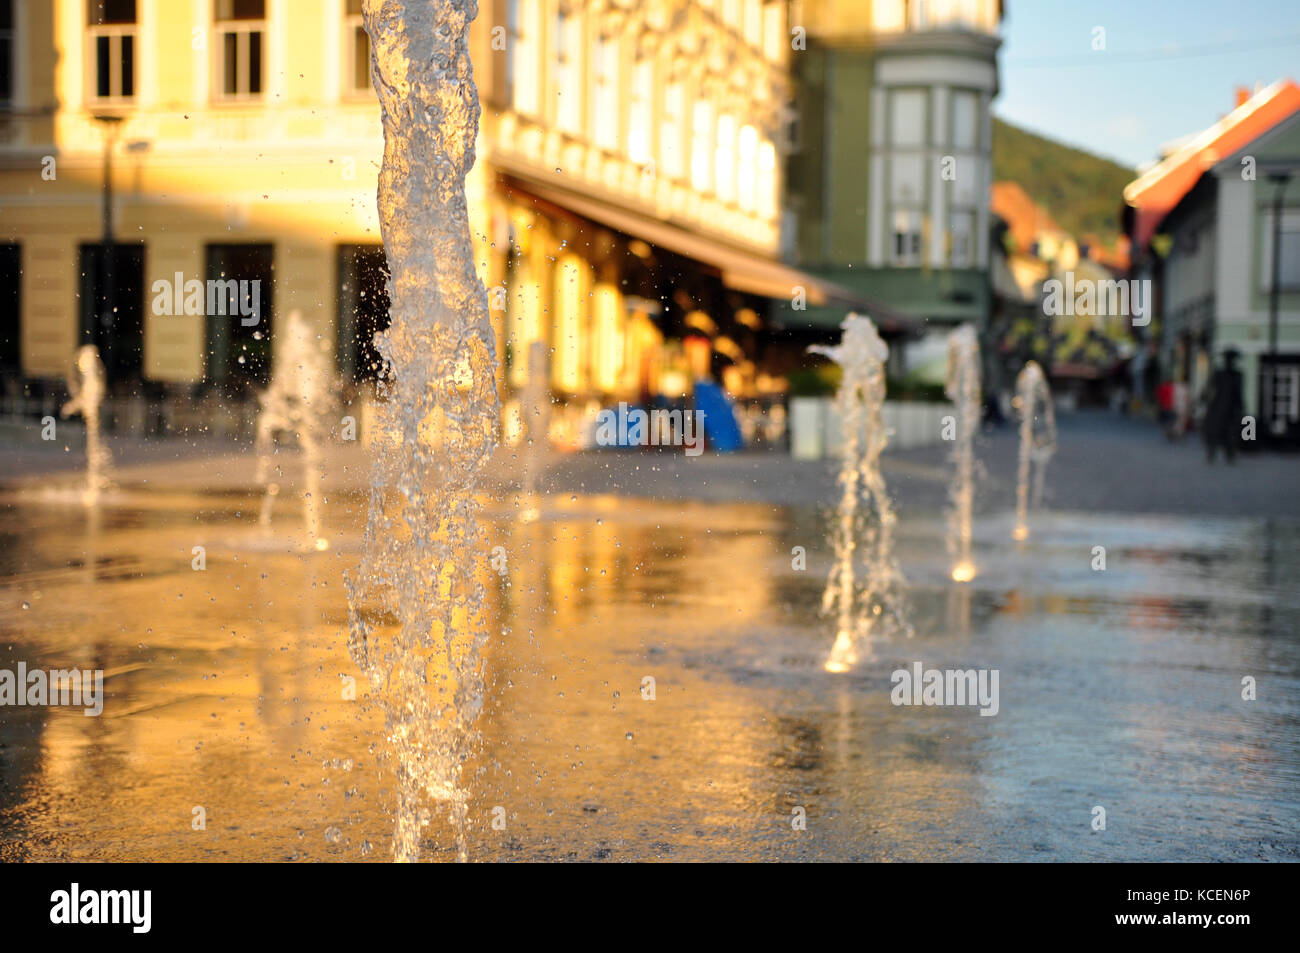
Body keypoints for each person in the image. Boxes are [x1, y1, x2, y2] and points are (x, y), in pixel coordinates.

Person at [1202, 349, 1244, 464]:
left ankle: (1229, 454)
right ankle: (1213, 453)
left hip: (1228, 409)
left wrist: (1240, 409)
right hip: (1219, 407)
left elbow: (1239, 394)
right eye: (1228, 360)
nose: (1229, 363)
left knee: (1230, 433)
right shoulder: (1220, 374)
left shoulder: (1236, 375)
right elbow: (1209, 390)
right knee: (1214, 431)